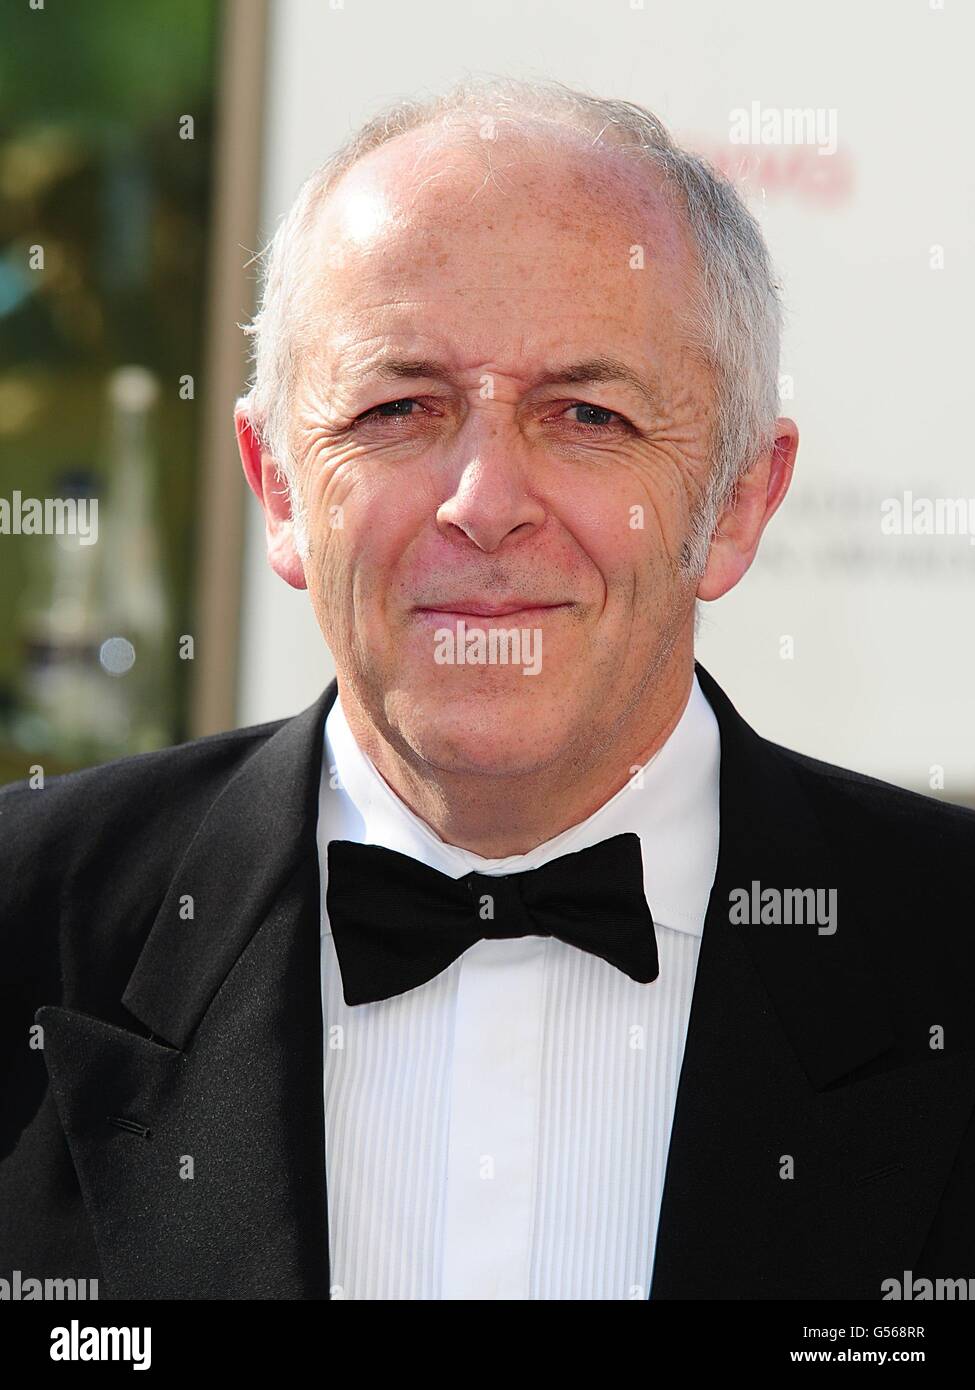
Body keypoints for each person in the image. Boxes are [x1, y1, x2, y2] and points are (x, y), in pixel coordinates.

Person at [2, 77, 973, 1301]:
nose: (484, 501)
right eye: (401, 408)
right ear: (281, 489)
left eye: (588, 414)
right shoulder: (25, 927)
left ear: (736, 503)